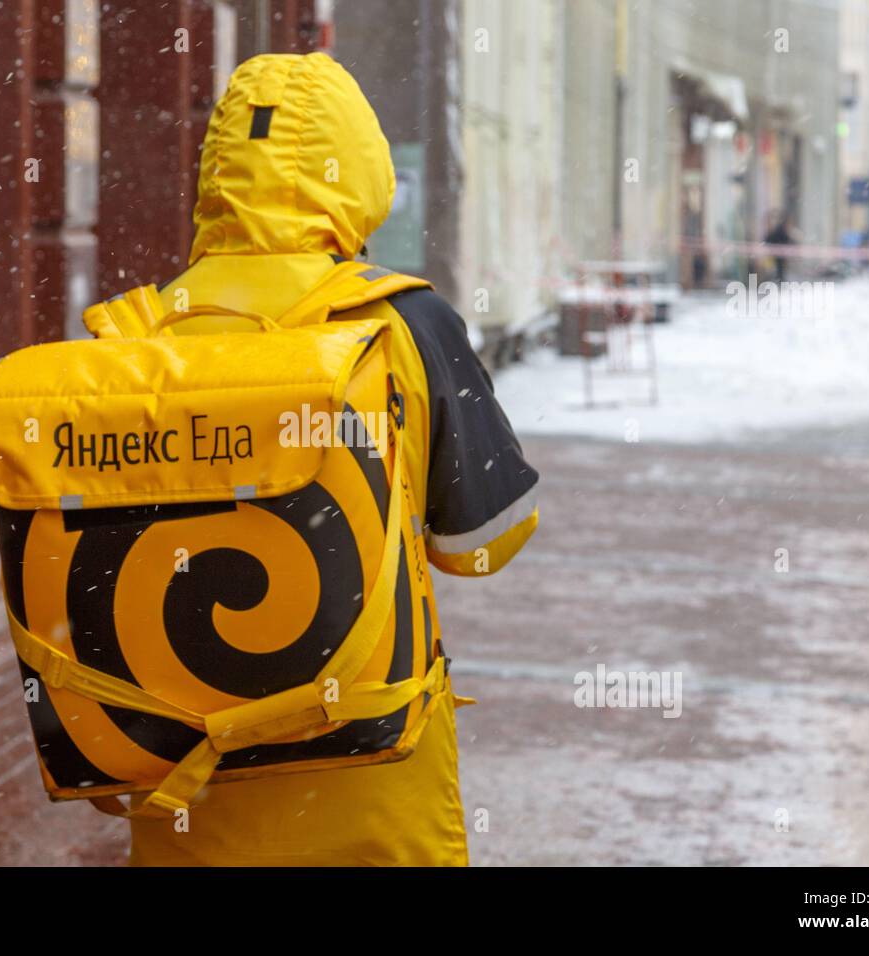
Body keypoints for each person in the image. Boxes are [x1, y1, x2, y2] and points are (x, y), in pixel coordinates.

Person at [112, 52, 540, 866]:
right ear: (362, 172)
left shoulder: (141, 337)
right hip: (374, 777)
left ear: (218, 173)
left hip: (192, 788)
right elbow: (483, 544)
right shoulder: (406, 322)